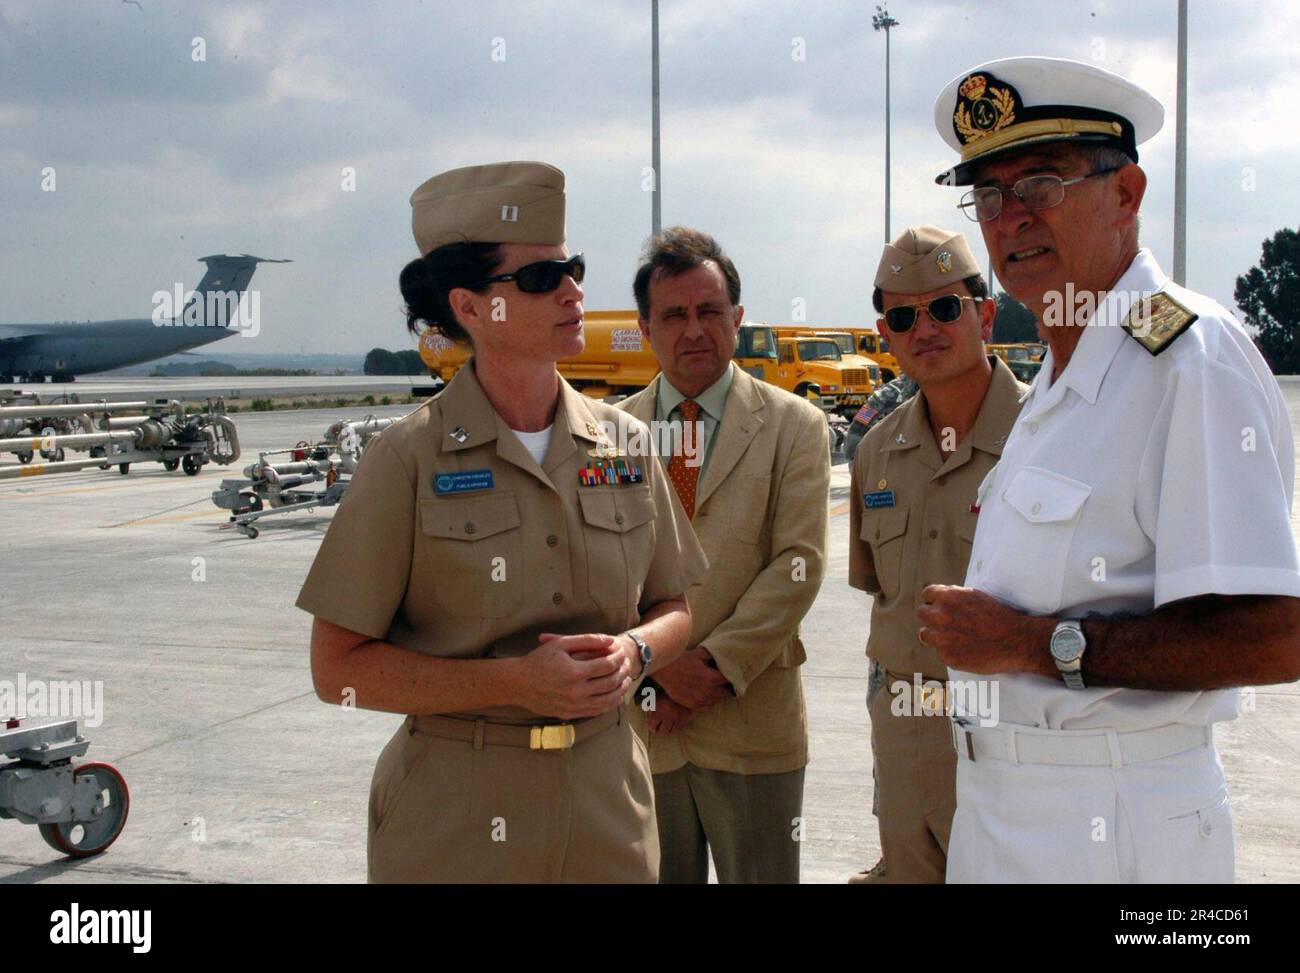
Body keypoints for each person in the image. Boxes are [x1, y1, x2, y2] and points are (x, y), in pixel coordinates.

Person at [923, 57, 1300, 882]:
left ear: (1125, 193)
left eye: (1041, 184)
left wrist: (1030, 644)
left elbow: (1274, 634)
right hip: (1004, 812)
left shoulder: (1187, 358)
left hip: (1117, 823)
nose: (1010, 219)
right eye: (987, 197)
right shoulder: (1061, 373)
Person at [295, 162, 708, 883]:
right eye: (543, 279)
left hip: (606, 803)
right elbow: (338, 670)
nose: (575, 291)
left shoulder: (628, 443)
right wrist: (514, 682)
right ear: (470, 305)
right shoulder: (407, 460)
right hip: (457, 810)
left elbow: (675, 603)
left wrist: (636, 653)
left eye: (573, 268)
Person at [617, 226, 830, 883]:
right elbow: (600, 574)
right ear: (646, 328)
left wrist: (709, 665)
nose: (694, 329)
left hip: (751, 720)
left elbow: (798, 565)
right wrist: (658, 666)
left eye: (710, 311)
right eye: (673, 314)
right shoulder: (607, 433)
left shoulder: (795, 426)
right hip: (646, 727)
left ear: (737, 318)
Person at [847, 226, 1025, 884]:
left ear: (984, 315)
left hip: (1012, 738)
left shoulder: (1043, 441)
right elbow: (881, 595)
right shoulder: (877, 452)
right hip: (906, 738)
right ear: (885, 334)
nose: (925, 328)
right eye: (902, 316)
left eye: (945, 308)